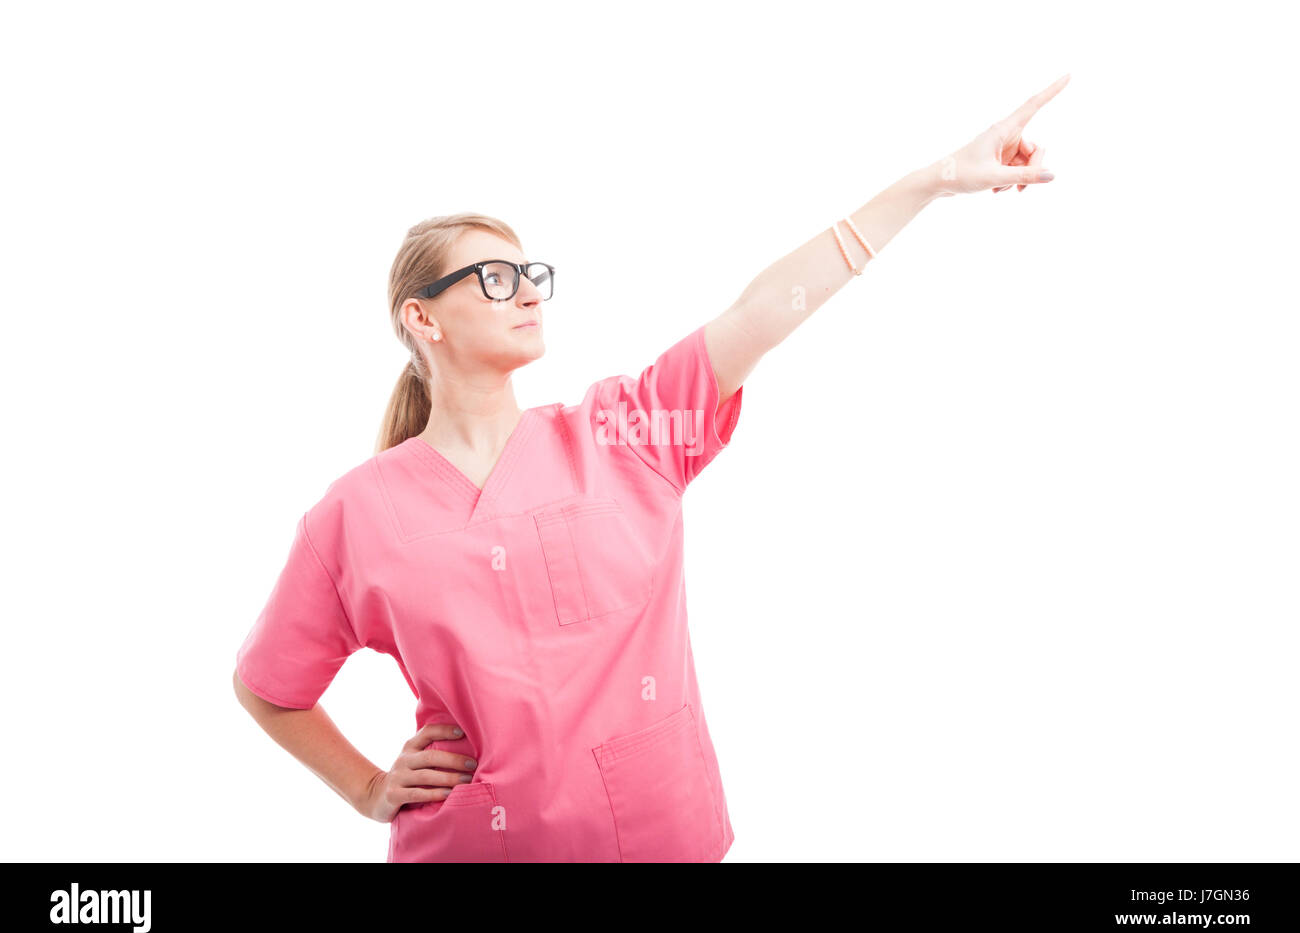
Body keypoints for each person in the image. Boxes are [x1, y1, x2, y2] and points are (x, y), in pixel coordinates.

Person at [233, 75, 1069, 863]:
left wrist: (934, 182)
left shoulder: (628, 429)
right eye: (494, 277)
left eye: (531, 275)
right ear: (422, 317)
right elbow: (268, 684)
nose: (527, 292)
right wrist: (368, 787)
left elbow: (761, 310)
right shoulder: (354, 514)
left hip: (657, 835)